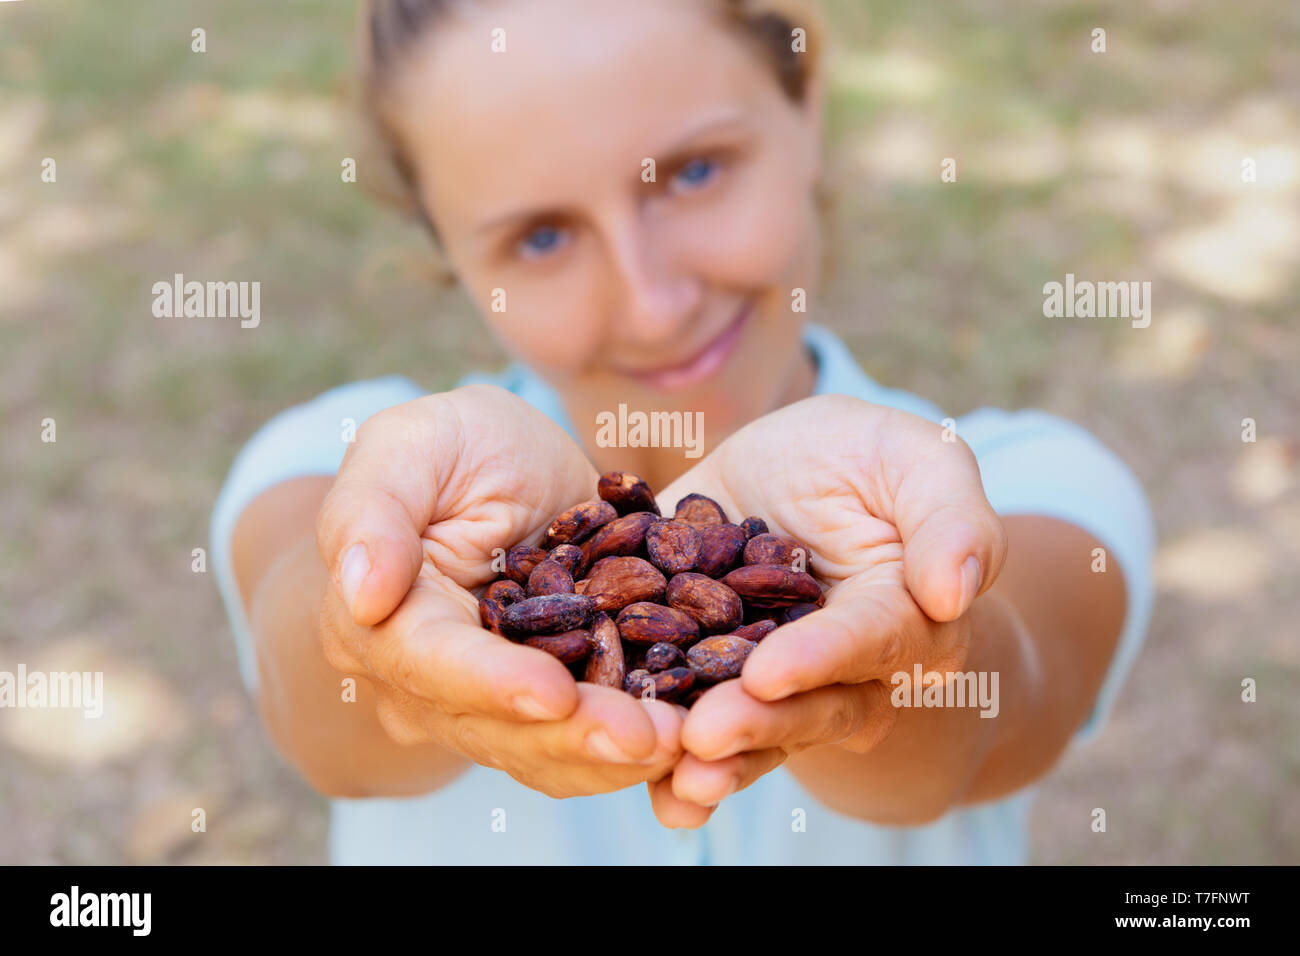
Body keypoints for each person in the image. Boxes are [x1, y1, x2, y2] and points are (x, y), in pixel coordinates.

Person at [211, 0, 1154, 864]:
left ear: (808, 106)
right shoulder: (336, 462)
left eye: (696, 172)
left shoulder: (1033, 483)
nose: (654, 306)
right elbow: (318, 718)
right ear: (443, 247)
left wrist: (921, 631)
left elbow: (996, 722)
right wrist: (370, 614)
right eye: (541, 237)